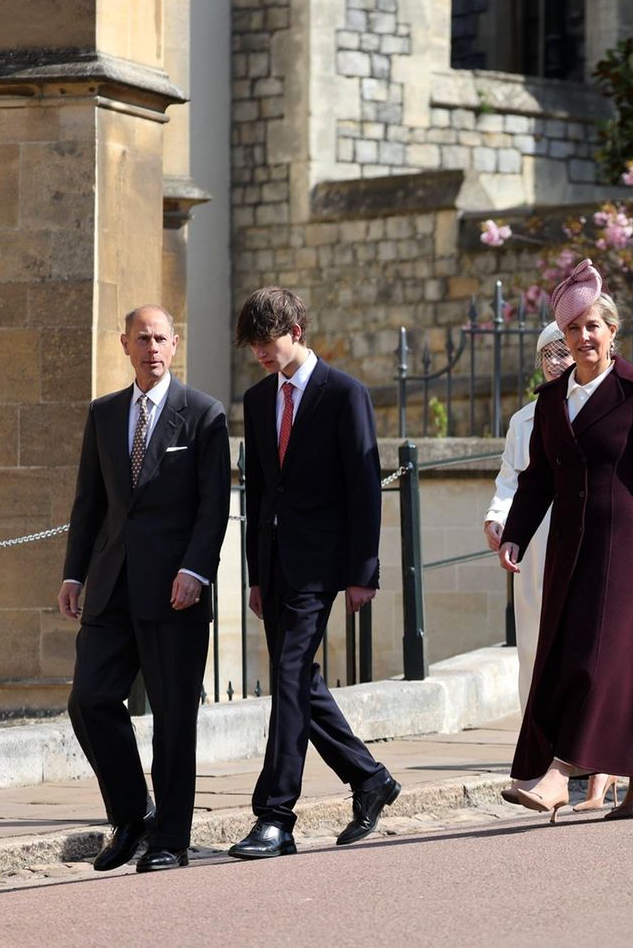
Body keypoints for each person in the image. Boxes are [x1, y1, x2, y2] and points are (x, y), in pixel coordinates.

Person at [498, 259, 633, 822]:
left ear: (613, 331)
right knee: (587, 660)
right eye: (574, 329)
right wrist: (516, 535)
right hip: (568, 551)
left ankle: (560, 776)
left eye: (594, 326)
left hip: (624, 550)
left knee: (597, 660)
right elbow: (537, 478)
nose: (584, 337)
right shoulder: (549, 403)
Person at [228, 286, 401, 858]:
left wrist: (364, 570)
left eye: (268, 340)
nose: (260, 351)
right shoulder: (256, 401)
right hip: (275, 567)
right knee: (299, 680)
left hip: (322, 566)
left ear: (297, 332)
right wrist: (255, 573)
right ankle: (370, 779)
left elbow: (364, 487)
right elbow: (258, 491)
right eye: (252, 343)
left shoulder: (344, 393)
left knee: (288, 678)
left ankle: (276, 815)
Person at [59, 305, 230, 873]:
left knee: (174, 718)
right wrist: (74, 573)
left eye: (160, 338)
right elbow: (91, 504)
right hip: (111, 588)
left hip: (176, 591)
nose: (152, 347)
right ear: (124, 345)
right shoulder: (104, 414)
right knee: (89, 700)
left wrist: (197, 570)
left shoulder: (203, 414)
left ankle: (170, 841)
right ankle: (133, 815)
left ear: (174, 345)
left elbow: (214, 508)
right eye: (142, 338)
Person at [484, 323, 619, 812]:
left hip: (584, 542)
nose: (559, 362)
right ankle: (544, 760)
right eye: (550, 355)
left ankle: (596, 764)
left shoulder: (603, 400)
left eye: (566, 352)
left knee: (588, 650)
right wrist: (498, 520)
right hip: (536, 552)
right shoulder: (526, 418)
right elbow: (512, 481)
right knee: (536, 655)